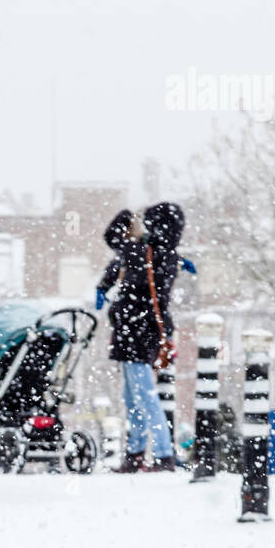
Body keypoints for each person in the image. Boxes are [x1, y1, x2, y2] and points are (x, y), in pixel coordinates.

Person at [96, 202, 185, 473]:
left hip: (133, 331)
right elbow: (120, 264)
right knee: (133, 395)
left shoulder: (140, 251)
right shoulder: (166, 253)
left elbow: (111, 237)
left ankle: (162, 454)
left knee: (143, 395)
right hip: (148, 331)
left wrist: (128, 215)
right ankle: (135, 452)